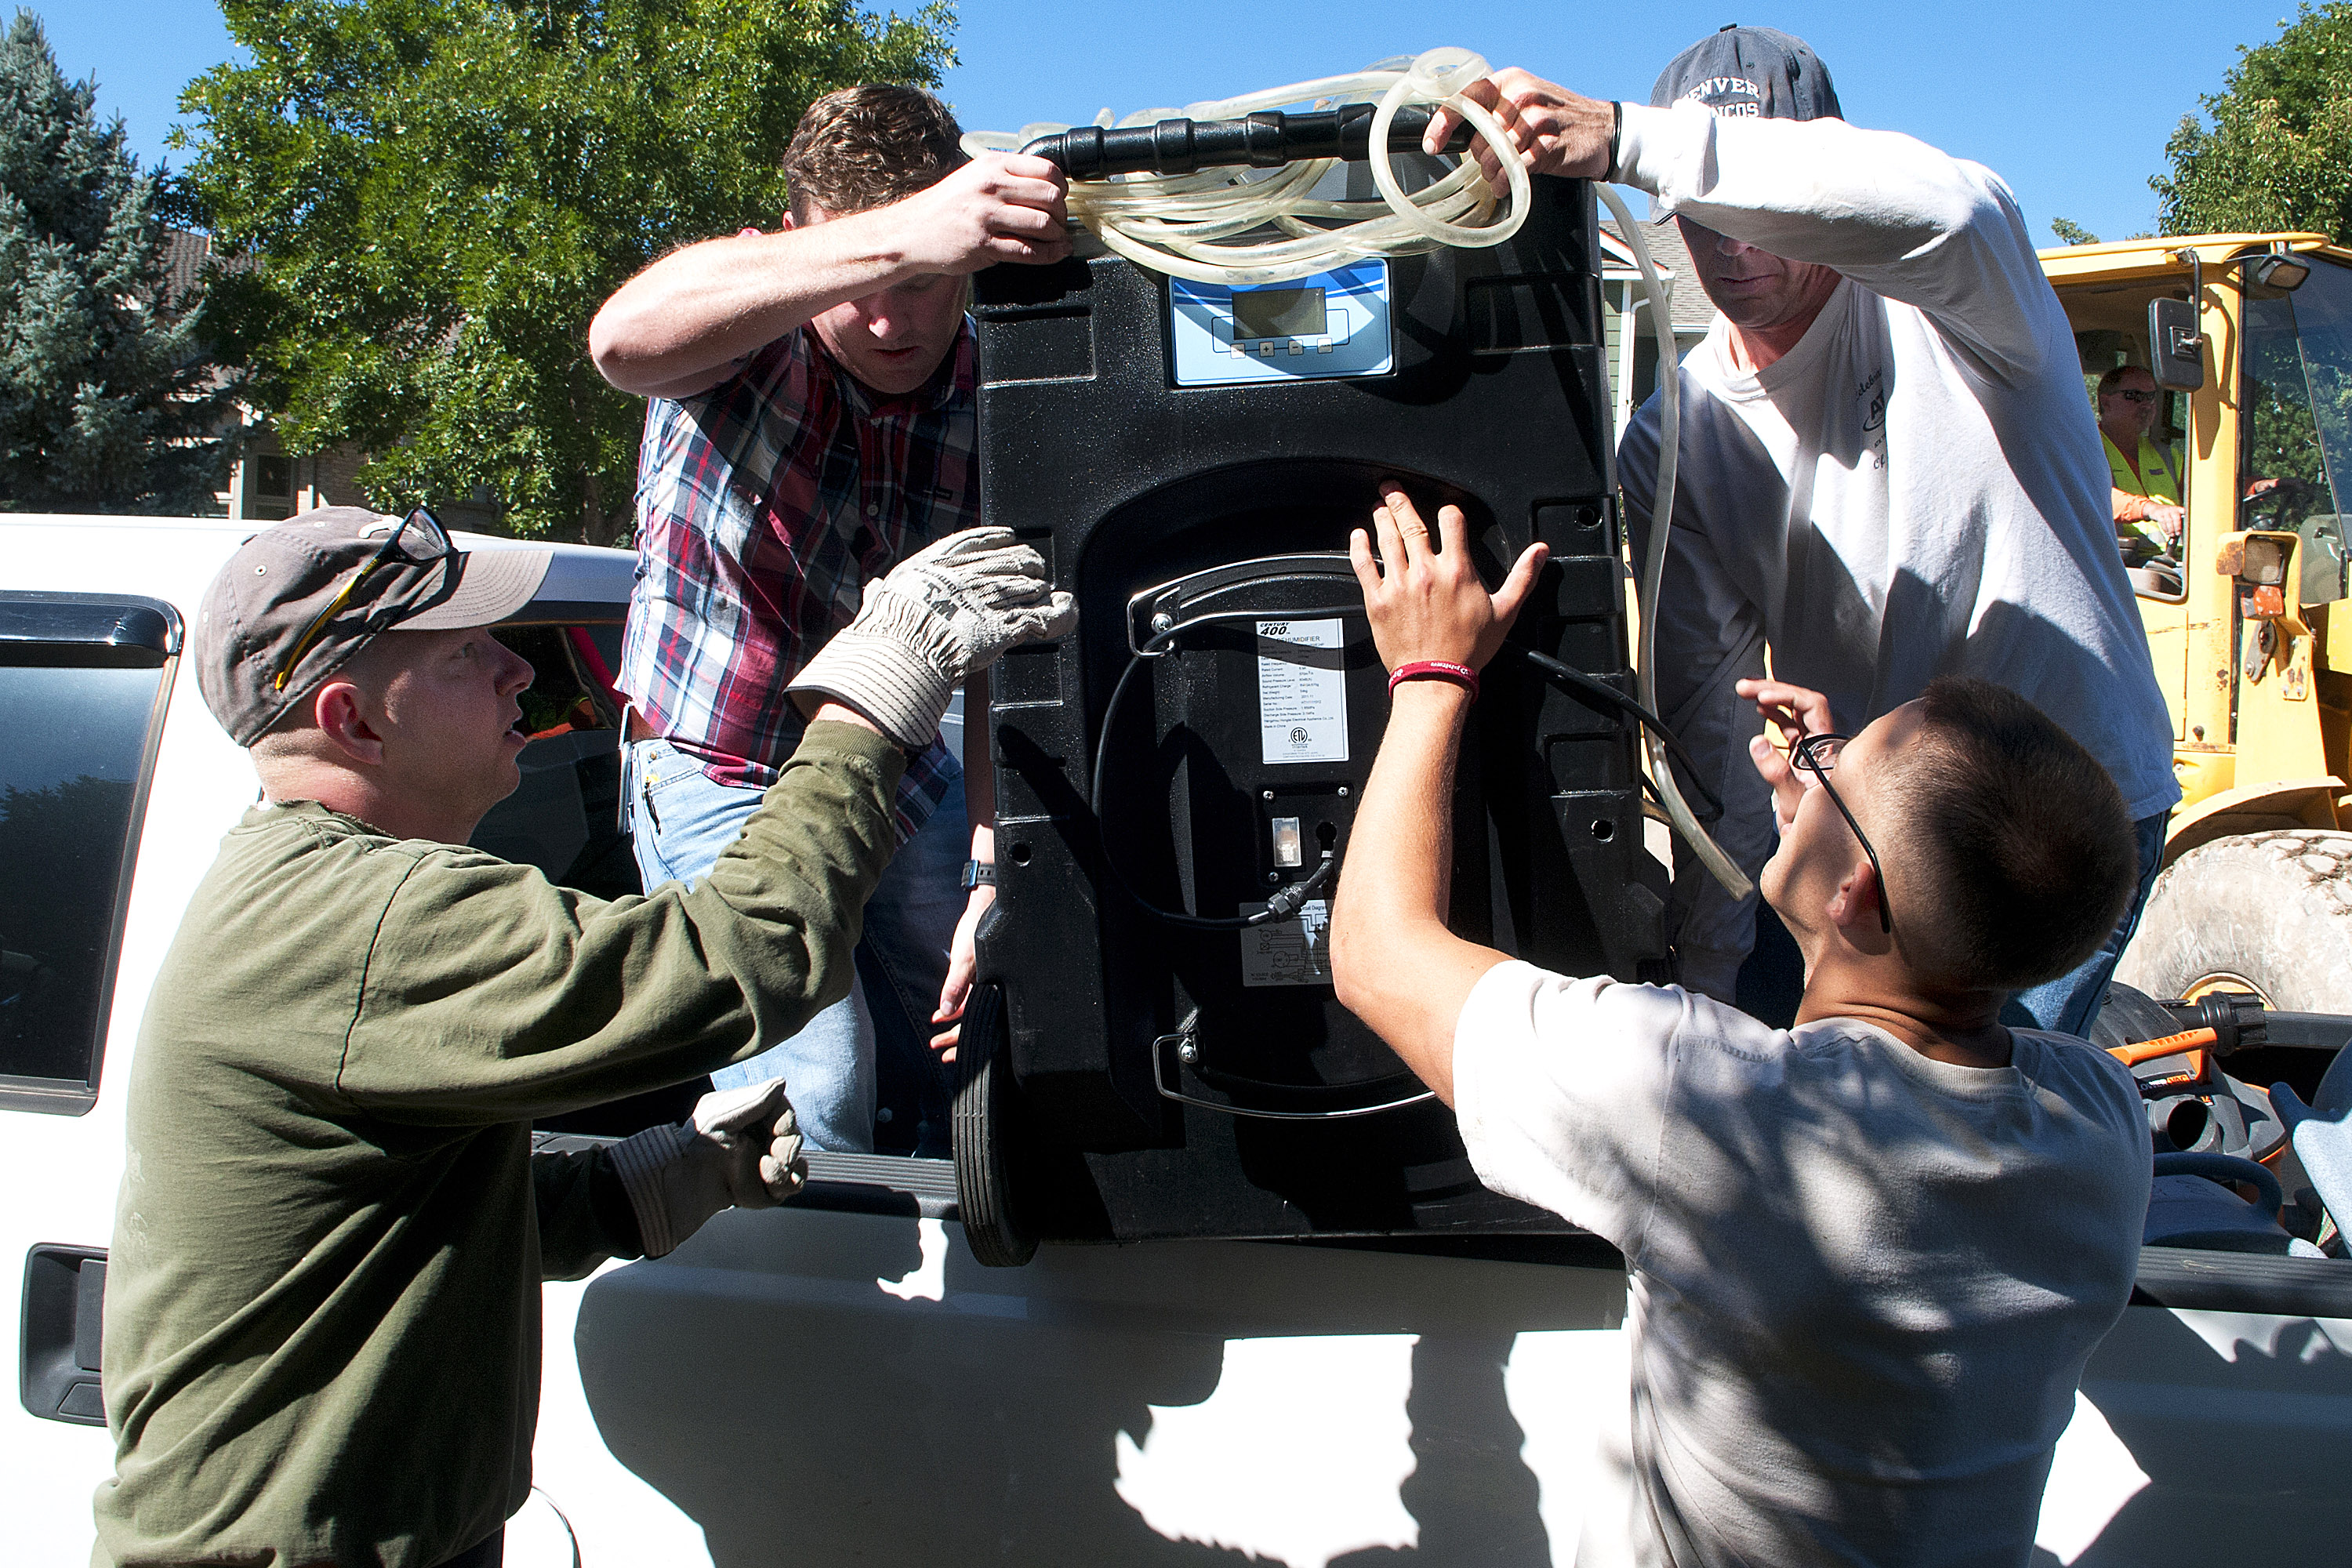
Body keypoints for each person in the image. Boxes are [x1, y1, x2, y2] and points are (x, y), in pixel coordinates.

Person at [93, 506, 1071, 1568]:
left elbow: (418, 1212)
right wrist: (877, 691)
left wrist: (669, 1175)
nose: (521, 671)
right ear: (355, 720)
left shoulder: (308, 893)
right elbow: (746, 954)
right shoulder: (366, 918)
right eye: (468, 652)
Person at [1330, 485, 2151, 1568]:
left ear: (1857, 891)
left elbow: (1376, 958)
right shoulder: (2099, 1126)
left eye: (1838, 765)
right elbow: (1937, 968)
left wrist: (1432, 675)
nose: (1819, 754)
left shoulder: (1711, 1112)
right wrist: (1835, 837)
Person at [1427, 28, 2179, 1036]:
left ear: (1817, 178)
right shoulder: (1677, 440)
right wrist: (1706, 981)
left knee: (1969, 1140)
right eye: (1704, 215)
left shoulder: (1960, 305)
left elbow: (1950, 205)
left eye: (1759, 205)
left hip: (2058, 824)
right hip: (1872, 842)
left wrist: (1630, 135)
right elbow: (1713, 722)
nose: (1731, 242)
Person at [586, 85, 1071, 1154]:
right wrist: (898, 238)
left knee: (1015, 998)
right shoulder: (743, 328)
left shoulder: (1001, 387)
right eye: (868, 282)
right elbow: (621, 342)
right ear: (811, 244)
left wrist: (995, 869)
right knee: (820, 1084)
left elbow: (1003, 646)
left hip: (890, 772)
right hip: (719, 770)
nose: (893, 321)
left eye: (926, 282)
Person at [2096, 364, 2185, 561]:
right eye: (2133, 396)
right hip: (2119, 566)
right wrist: (2150, 509)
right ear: (2106, 403)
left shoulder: (2165, 455)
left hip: (2175, 563)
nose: (2146, 405)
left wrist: (2252, 487)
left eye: (2150, 397)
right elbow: (2093, 495)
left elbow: (2206, 486)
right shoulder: (2088, 448)